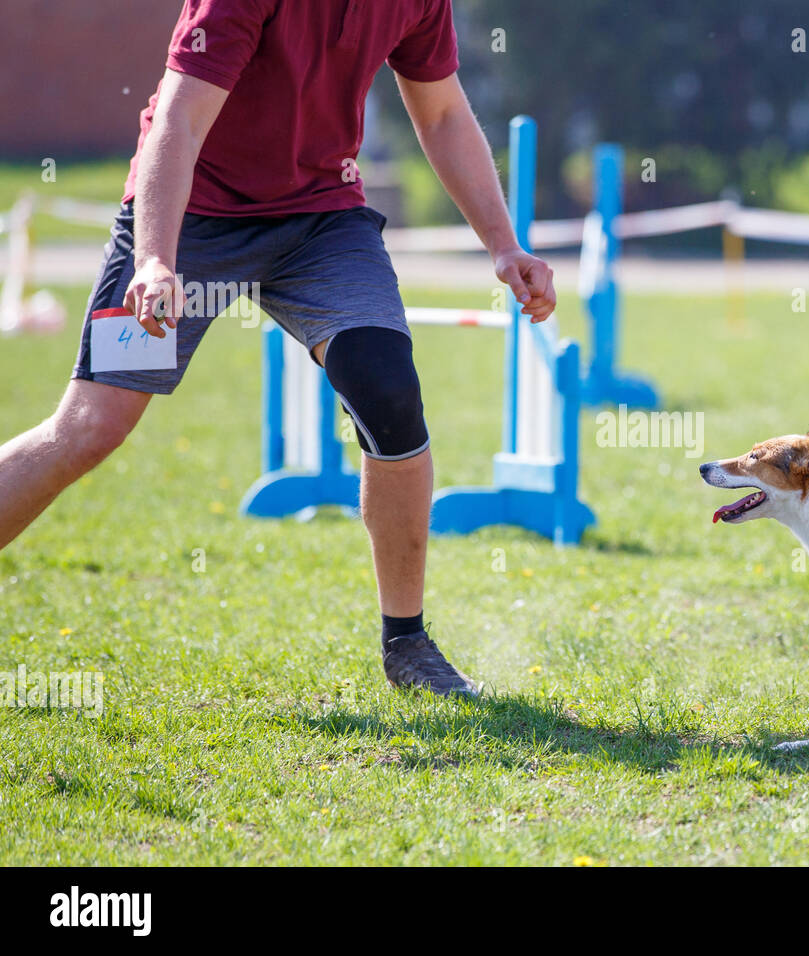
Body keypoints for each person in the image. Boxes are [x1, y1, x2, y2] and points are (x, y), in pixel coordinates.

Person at [0, 0, 554, 695]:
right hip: (190, 218)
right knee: (89, 428)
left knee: (387, 390)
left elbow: (440, 115)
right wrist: (155, 260)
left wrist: (505, 247)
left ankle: (406, 643)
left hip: (320, 219)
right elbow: (180, 117)